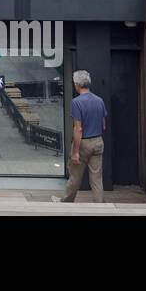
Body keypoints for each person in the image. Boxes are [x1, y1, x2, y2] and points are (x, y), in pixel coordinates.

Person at [57, 69, 108, 203]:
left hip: (83, 143)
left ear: (77, 84)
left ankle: (66, 202)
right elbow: (104, 125)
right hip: (98, 141)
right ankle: (100, 207)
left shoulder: (76, 102)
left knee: (75, 177)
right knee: (97, 179)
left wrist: (75, 152)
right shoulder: (99, 101)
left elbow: (78, 129)